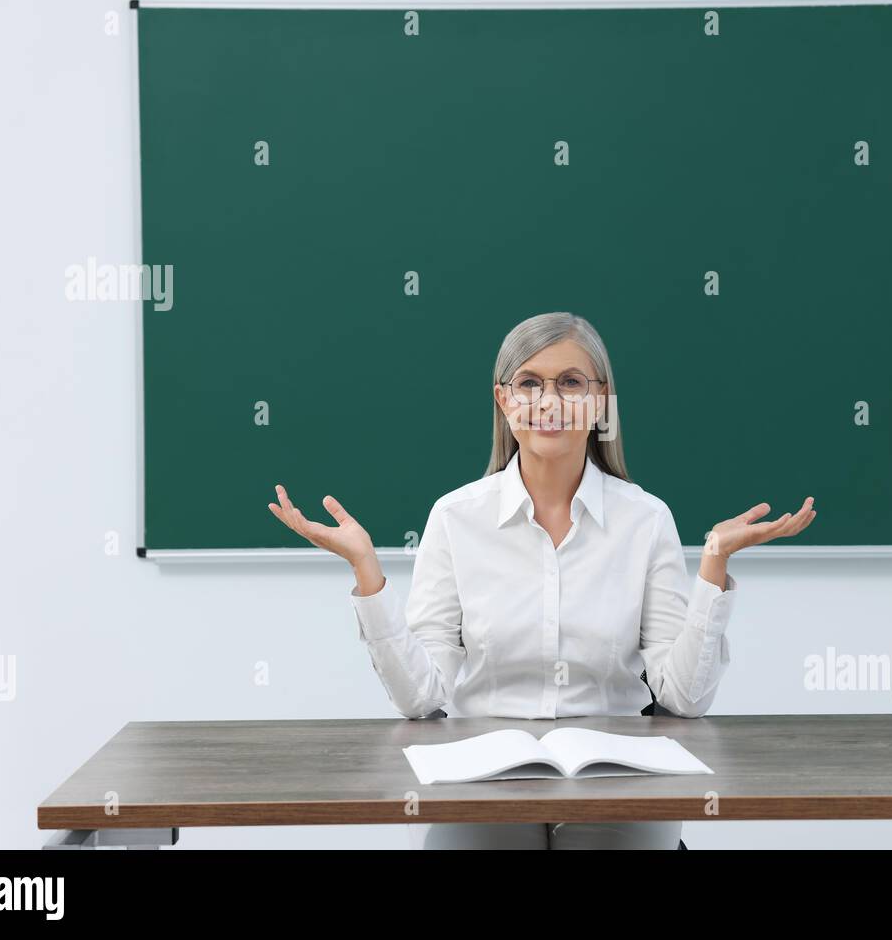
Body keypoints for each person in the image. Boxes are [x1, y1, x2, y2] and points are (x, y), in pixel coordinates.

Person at [267, 311, 816, 848]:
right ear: (504, 400)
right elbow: (420, 698)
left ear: (600, 401)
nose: (548, 402)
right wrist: (367, 573)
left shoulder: (647, 520)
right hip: (481, 767)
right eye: (528, 383)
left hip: (618, 766)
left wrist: (714, 565)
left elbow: (684, 698)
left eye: (570, 383)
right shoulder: (455, 518)